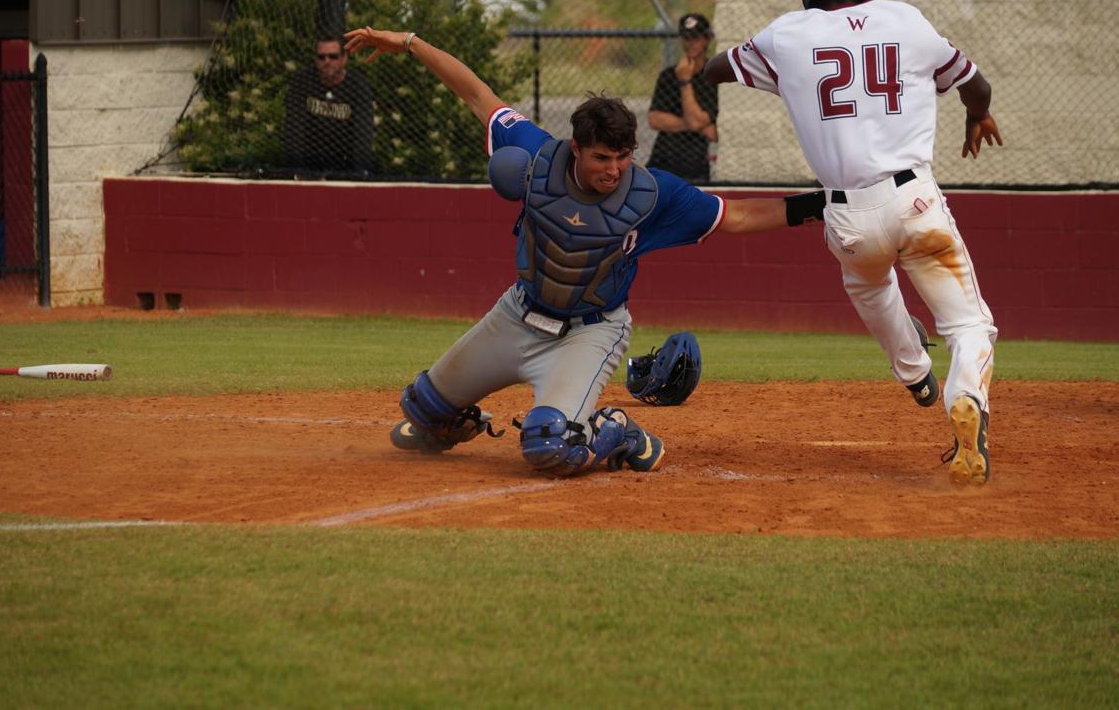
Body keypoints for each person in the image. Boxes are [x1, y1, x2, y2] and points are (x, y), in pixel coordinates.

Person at [342, 25, 826, 477]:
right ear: (577, 148)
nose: (614, 169)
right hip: (517, 314)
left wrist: (822, 203)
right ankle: (450, 422)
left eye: (623, 156)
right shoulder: (538, 158)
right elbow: (476, 95)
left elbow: (736, 217)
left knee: (550, 445)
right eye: (601, 157)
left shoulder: (653, 194)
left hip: (590, 331)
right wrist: (409, 43)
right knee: (421, 411)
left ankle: (614, 429)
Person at [705, 0, 1003, 487]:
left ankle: (915, 375)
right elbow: (974, 85)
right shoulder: (905, 19)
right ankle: (964, 397)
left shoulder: (787, 34)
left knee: (869, 287)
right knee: (968, 325)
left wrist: (784, 73)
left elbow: (714, 69)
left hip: (846, 213)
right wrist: (977, 116)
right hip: (915, 201)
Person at [283, 37, 376, 176]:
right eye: (322, 57)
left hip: (345, 162)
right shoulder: (302, 82)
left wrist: (357, 173)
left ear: (344, 59)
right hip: (309, 160)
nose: (327, 61)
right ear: (315, 60)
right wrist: (298, 170)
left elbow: (362, 135)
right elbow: (294, 129)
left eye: (333, 56)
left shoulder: (358, 88)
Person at [646, 13, 718, 185]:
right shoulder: (668, 76)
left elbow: (714, 132)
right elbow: (655, 120)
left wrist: (685, 81)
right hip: (662, 160)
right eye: (686, 38)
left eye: (696, 38)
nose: (690, 43)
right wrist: (697, 125)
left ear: (707, 39)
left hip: (694, 165)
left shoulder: (714, 77)